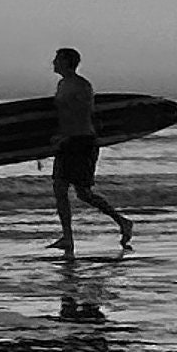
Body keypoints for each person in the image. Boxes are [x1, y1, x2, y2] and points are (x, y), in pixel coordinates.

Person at [48, 46, 134, 253]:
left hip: (81, 141)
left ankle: (122, 221)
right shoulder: (63, 84)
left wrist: (64, 137)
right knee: (60, 189)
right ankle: (67, 237)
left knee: (83, 193)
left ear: (67, 62)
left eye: (57, 59)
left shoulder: (80, 86)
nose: (53, 62)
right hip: (69, 141)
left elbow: (80, 115)